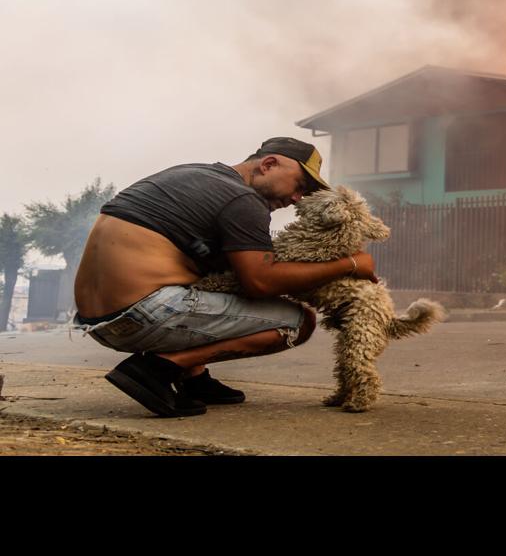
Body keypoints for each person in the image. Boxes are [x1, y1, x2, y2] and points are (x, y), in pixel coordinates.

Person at [72, 137, 380, 417]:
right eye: (299, 185)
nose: (298, 198)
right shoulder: (243, 200)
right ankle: (159, 369)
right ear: (268, 164)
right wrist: (350, 264)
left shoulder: (192, 174)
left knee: (209, 277)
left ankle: (195, 379)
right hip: (145, 314)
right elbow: (260, 282)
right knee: (299, 322)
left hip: (98, 323)